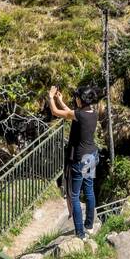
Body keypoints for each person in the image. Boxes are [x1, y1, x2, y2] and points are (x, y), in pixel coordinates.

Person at [48, 85, 98, 239]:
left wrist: (51, 97)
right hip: (91, 156)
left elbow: (56, 112)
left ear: (80, 100)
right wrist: (61, 100)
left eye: (77, 97)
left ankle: (80, 234)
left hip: (79, 159)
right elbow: (71, 113)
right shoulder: (92, 113)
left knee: (75, 196)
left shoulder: (80, 115)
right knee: (89, 190)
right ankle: (89, 225)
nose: (75, 99)